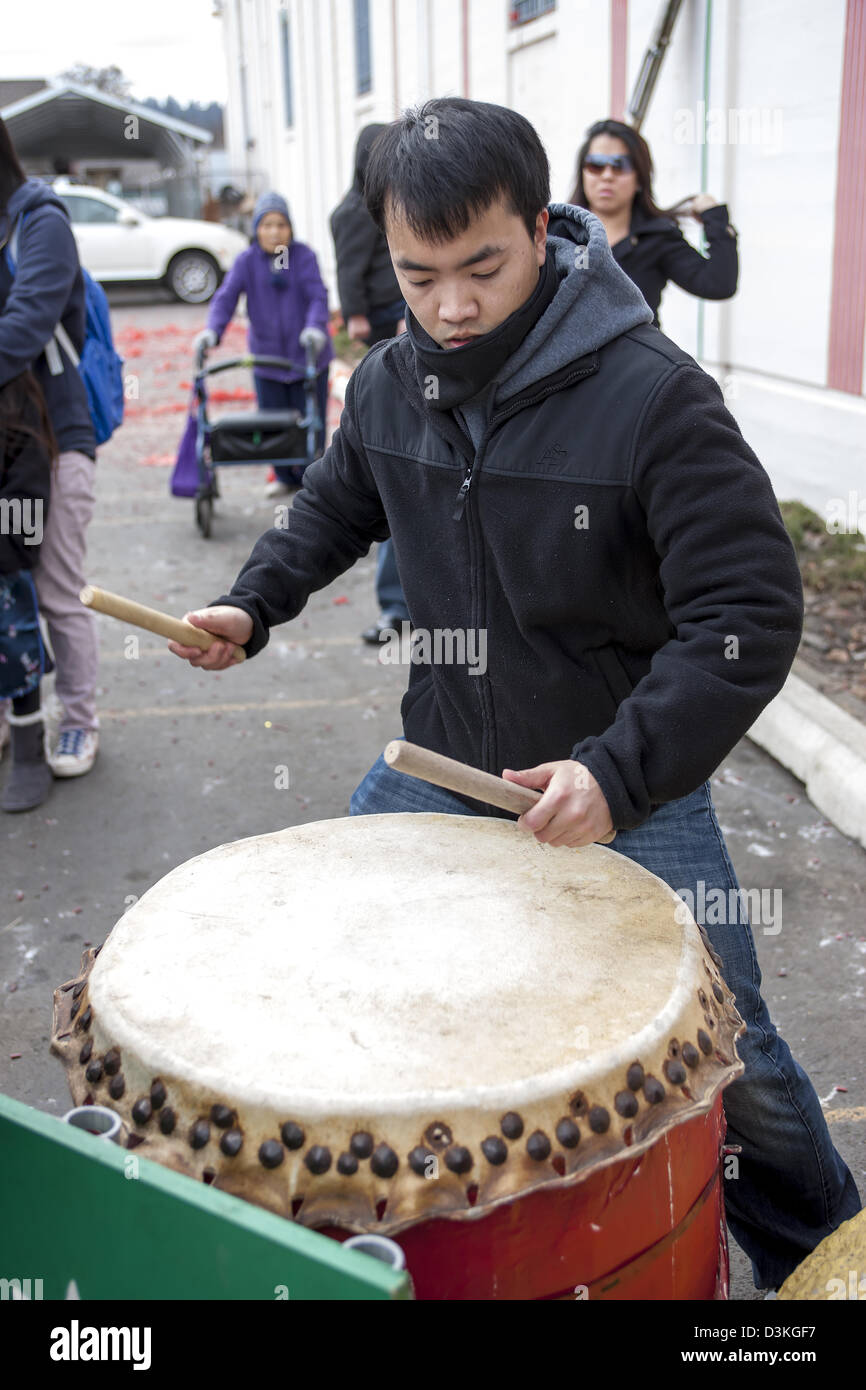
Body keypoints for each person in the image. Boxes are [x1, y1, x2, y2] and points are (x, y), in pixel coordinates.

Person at [167, 97, 860, 1292]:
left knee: (720, 1063)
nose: (448, 306)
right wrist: (253, 602)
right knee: (320, 984)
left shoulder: (652, 396)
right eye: (417, 273)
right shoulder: (388, 380)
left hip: (625, 789)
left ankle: (824, 1263)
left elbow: (745, 616)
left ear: (540, 230)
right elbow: (336, 503)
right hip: (438, 766)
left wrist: (619, 769)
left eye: (480, 267)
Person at [0, 117, 99, 777]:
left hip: (58, 442)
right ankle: (13, 712)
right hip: (8, 448)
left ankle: (80, 722)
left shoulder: (42, 223)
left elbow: (24, 326)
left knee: (56, 590)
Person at [194, 191, 333, 498]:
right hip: (268, 361)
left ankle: (313, 478)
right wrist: (211, 332)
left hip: (307, 356)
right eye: (267, 225)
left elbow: (317, 297)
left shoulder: (304, 256)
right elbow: (226, 298)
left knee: (312, 421)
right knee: (273, 422)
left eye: (281, 224)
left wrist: (314, 328)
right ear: (256, 228)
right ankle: (285, 476)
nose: (274, 232)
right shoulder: (246, 261)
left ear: (290, 228)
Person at [330, 124, 410, 645]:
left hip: (401, 318)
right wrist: (359, 315)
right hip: (386, 323)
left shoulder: (401, 203)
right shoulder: (354, 212)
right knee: (398, 476)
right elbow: (349, 268)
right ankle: (396, 607)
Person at [570, 118, 738, 328]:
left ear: (640, 178)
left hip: (637, 358)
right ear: (582, 172)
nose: (607, 175)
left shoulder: (658, 237)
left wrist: (715, 218)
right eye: (595, 165)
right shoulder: (557, 232)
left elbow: (718, 284)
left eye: (620, 165)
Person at [0, 368, 54, 811]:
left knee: (17, 653)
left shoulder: (16, 398)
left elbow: (27, 502)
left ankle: (28, 749)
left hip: (3, 562)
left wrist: (10, 548)